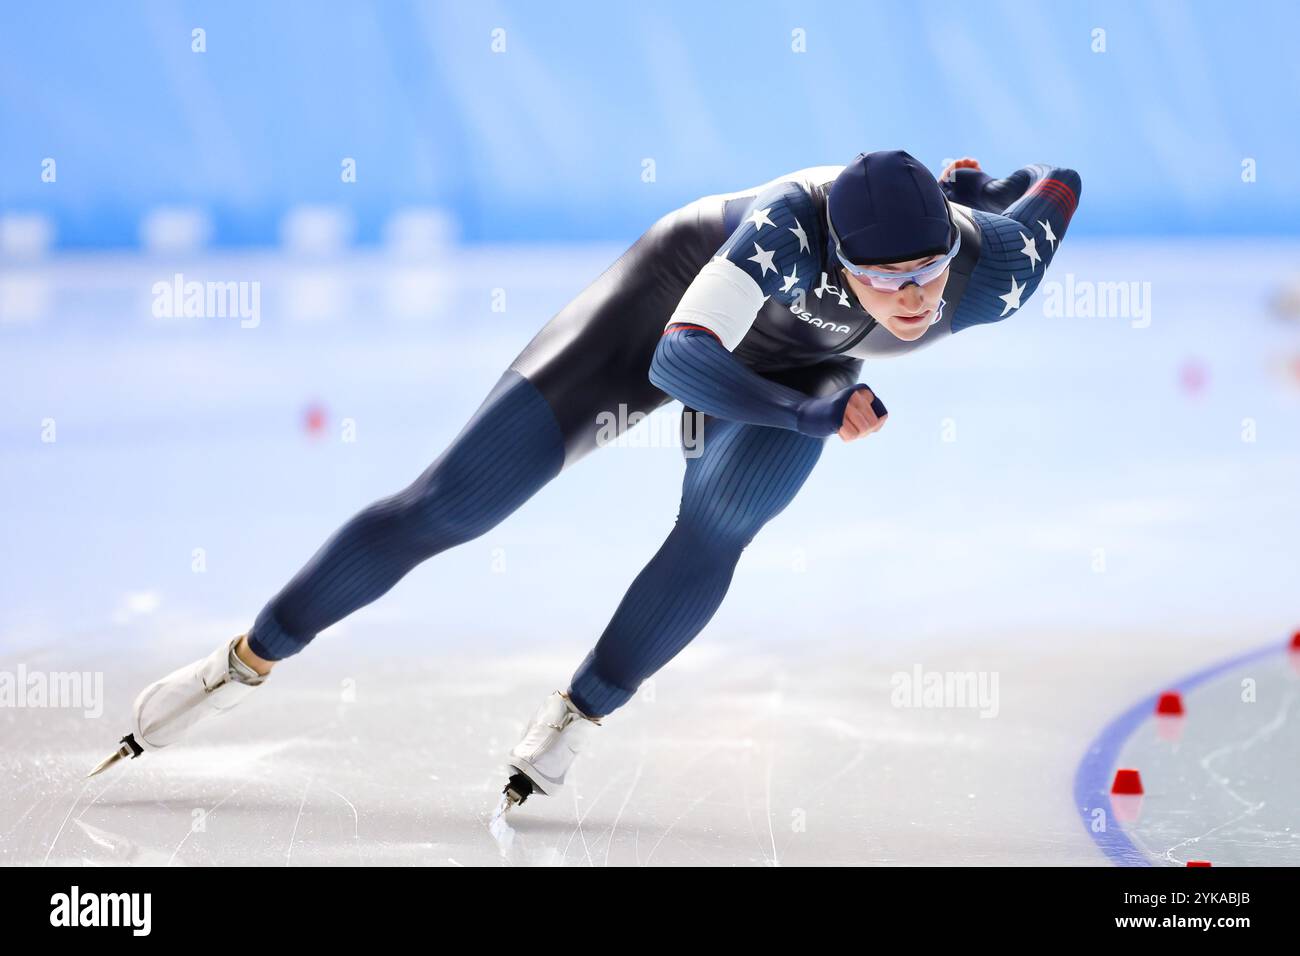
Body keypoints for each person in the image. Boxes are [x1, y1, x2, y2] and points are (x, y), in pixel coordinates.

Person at [91, 150, 1081, 810]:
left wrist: (990, 194)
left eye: (928, 272)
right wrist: (807, 414)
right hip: (662, 311)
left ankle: (580, 706)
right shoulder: (784, 228)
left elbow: (1058, 187)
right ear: (840, 257)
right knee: (452, 502)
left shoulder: (996, 270)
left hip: (800, 362)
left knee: (722, 521)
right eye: (884, 279)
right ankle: (242, 659)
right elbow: (677, 360)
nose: (911, 301)